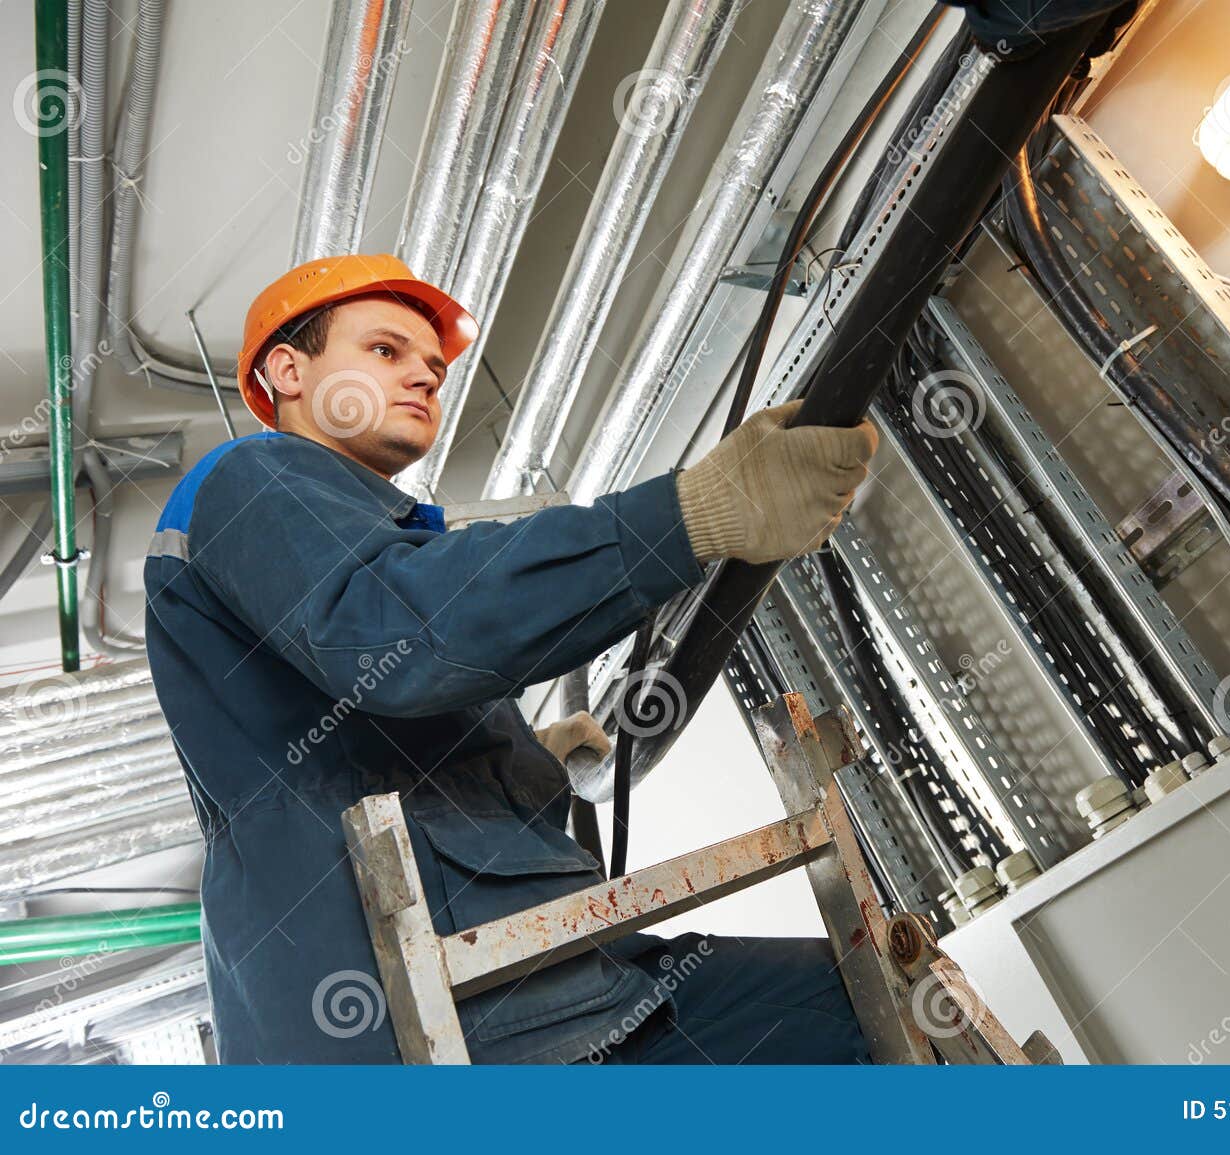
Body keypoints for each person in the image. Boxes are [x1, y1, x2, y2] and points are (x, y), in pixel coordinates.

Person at [143, 254, 878, 1063]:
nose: (424, 375)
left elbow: (389, 714)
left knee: (854, 999)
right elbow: (402, 634)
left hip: (527, 992)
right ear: (287, 369)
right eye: (387, 351)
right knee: (864, 1008)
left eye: (433, 365)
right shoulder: (248, 478)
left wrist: (526, 765)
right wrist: (693, 515)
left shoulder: (368, 543)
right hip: (440, 1022)